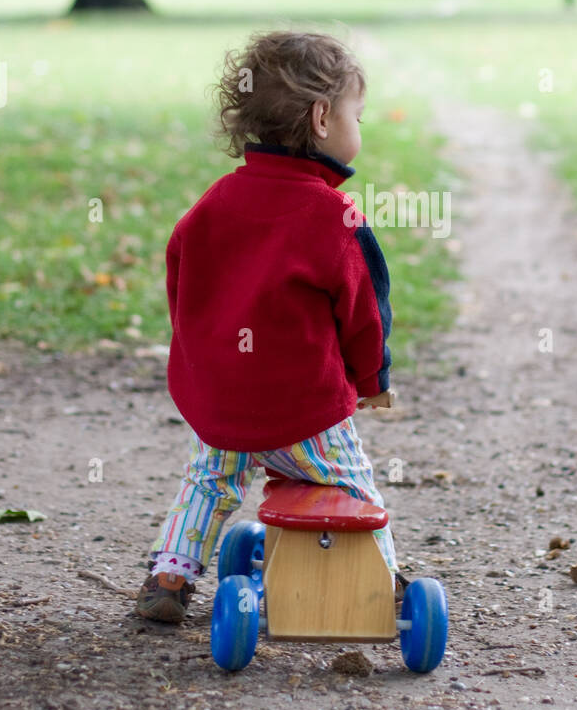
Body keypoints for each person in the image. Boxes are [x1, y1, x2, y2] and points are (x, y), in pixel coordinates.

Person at [135, 31, 400, 623]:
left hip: (221, 402)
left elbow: (183, 289)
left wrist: (202, 362)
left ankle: (170, 577)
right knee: (354, 491)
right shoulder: (337, 217)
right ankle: (378, 585)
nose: (362, 128)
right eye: (358, 114)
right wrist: (372, 379)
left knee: (208, 481)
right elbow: (365, 312)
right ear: (323, 117)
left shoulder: (213, 204)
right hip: (304, 408)